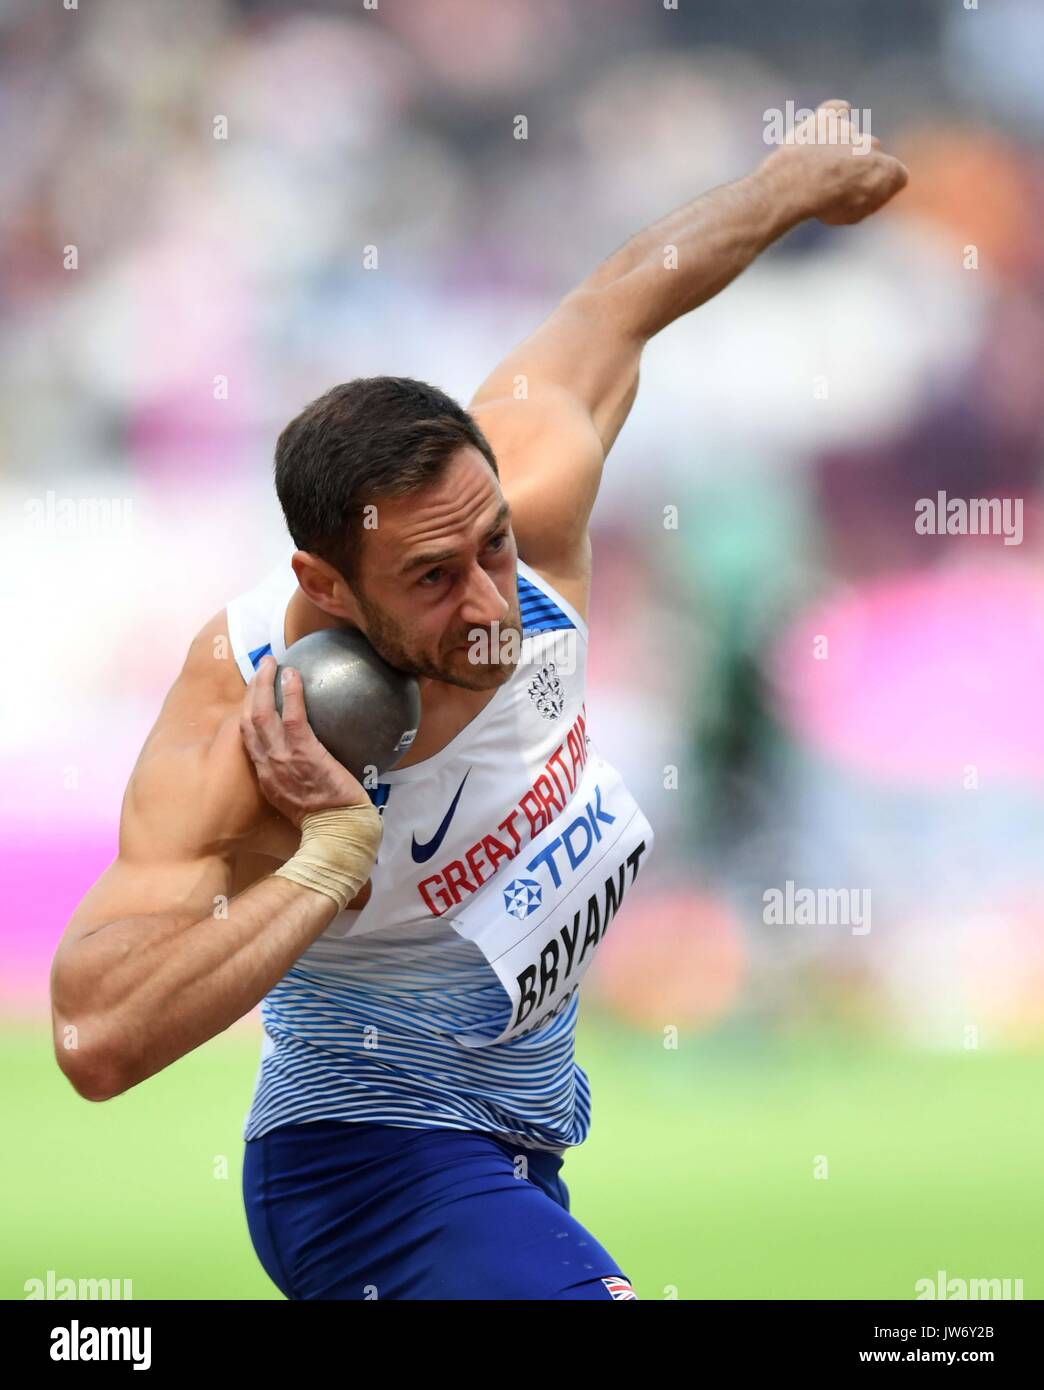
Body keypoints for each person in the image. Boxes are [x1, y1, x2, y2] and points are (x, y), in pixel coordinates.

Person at [50, 102, 908, 1299]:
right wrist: (327, 855)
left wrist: (788, 185)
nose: (489, 602)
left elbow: (616, 304)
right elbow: (93, 1037)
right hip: (360, 1169)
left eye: (492, 547)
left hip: (519, 1154)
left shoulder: (526, 500)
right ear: (325, 584)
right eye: (432, 580)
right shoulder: (246, 723)